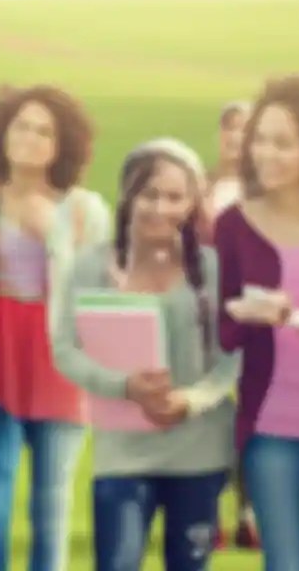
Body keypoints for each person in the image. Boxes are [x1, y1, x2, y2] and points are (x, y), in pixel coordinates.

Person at [0, 84, 109, 571]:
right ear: (1, 133)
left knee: (51, 506)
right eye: (21, 126)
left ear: (62, 145)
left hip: (58, 359)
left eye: (44, 131)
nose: (30, 138)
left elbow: (96, 291)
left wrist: (53, 236)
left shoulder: (85, 209)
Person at [51, 138, 240, 571]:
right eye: (148, 193)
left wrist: (191, 400)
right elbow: (65, 350)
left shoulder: (212, 269)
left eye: (175, 197)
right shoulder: (92, 266)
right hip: (122, 452)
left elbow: (233, 358)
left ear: (194, 202)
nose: (160, 208)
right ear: (127, 195)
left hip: (199, 452)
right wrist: (125, 386)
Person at [214, 75, 299, 571]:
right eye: (260, 140)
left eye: (283, 143)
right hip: (273, 432)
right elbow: (220, 330)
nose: (264, 153)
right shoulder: (232, 225)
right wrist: (243, 315)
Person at [202, 99, 260, 550]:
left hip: (258, 320)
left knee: (255, 421)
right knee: (209, 418)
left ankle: (249, 513)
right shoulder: (200, 188)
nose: (236, 139)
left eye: (246, 131)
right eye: (230, 130)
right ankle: (209, 512)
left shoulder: (271, 194)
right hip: (205, 320)